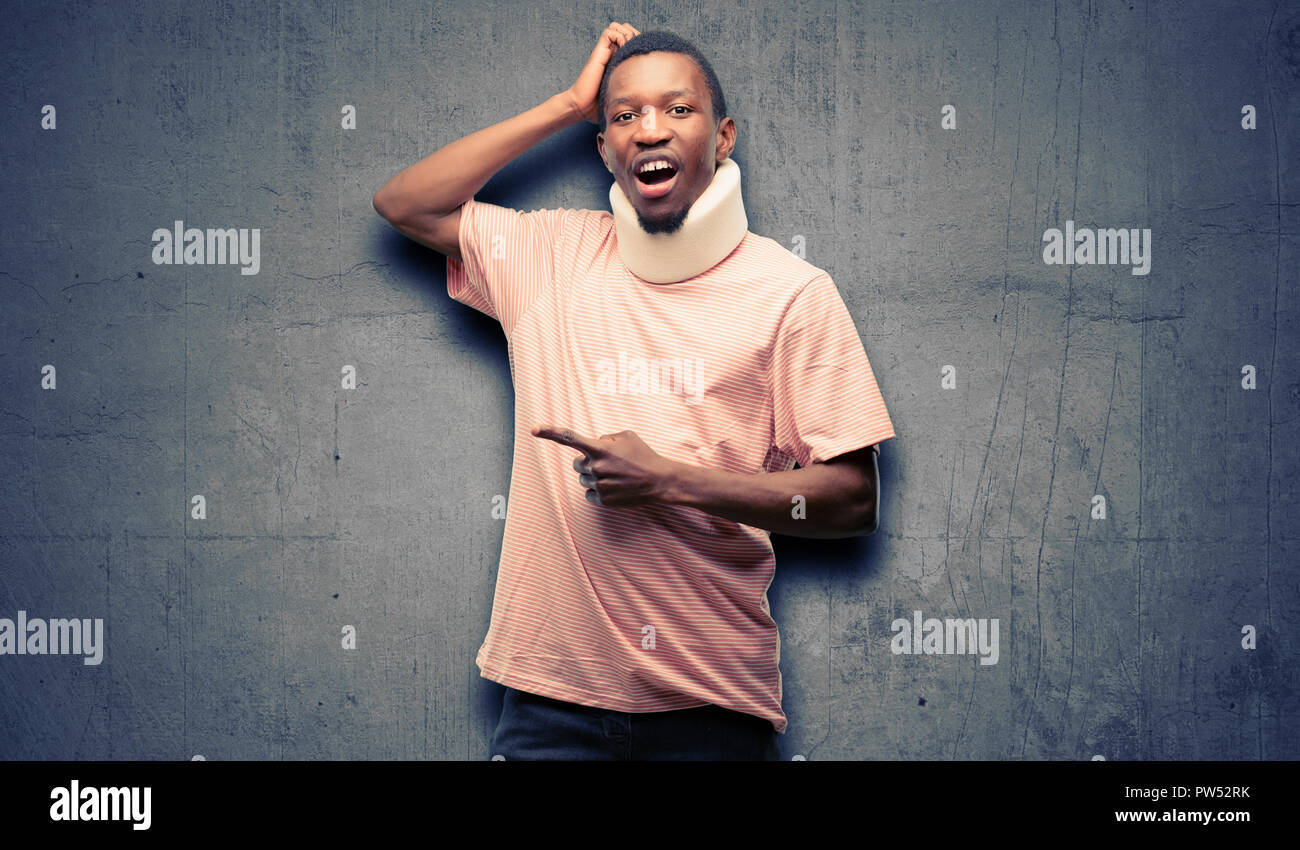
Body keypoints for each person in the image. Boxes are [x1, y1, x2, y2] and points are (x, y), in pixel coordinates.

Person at [373, 23, 896, 760]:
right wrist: (565, 104)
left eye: (678, 110)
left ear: (723, 138)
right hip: (549, 703)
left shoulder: (793, 294)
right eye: (624, 116)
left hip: (710, 705)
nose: (649, 129)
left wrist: (670, 481)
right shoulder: (548, 255)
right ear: (603, 148)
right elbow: (406, 204)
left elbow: (853, 499)